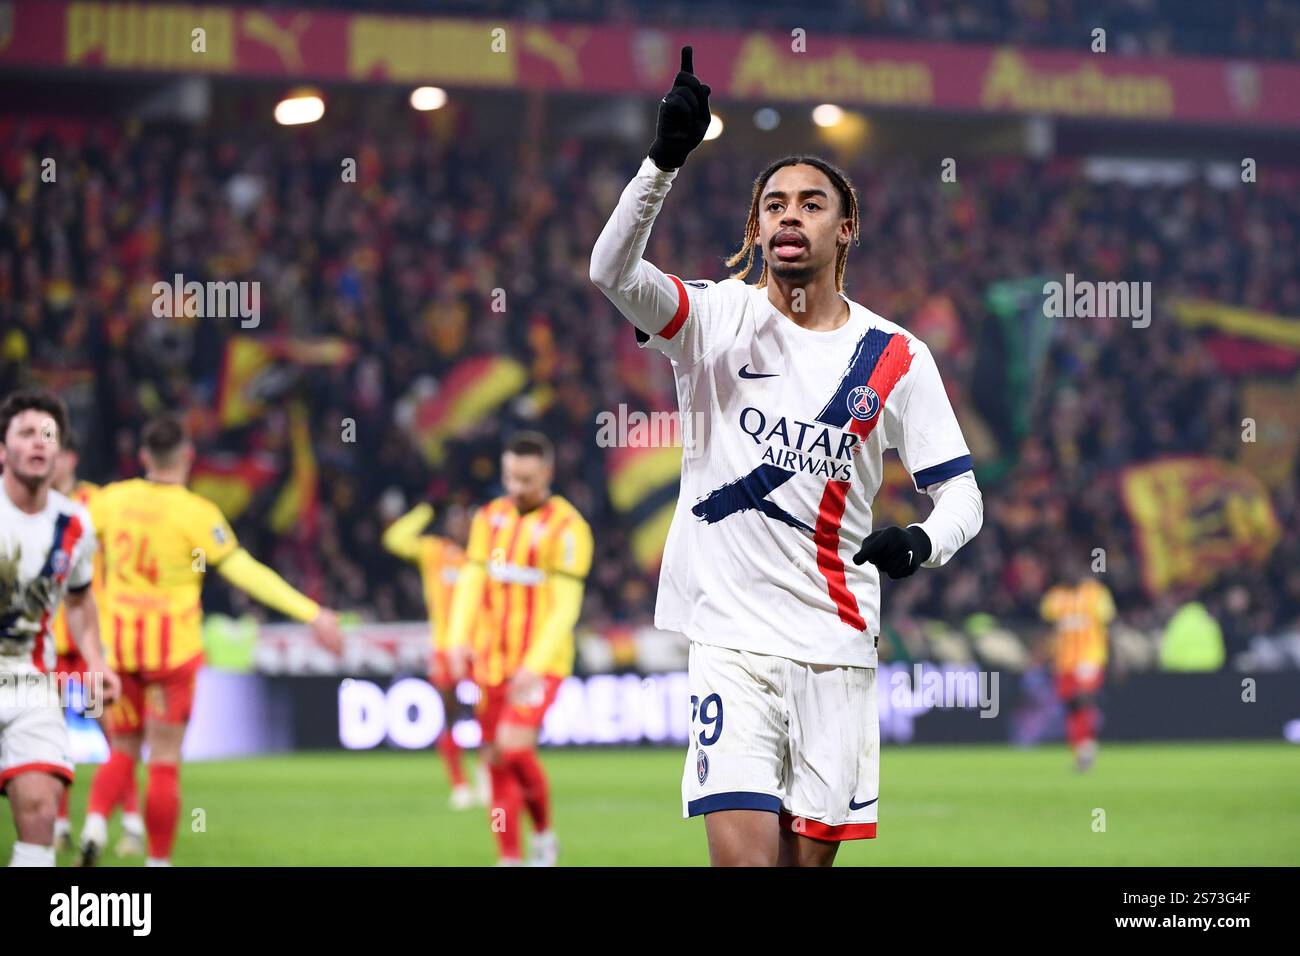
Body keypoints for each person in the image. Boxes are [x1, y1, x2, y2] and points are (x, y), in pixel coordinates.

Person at [589, 47, 983, 866]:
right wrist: (664, 161)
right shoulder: (711, 321)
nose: (788, 216)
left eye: (810, 203)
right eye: (773, 205)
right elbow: (611, 270)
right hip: (730, 644)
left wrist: (920, 543)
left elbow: (963, 499)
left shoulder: (897, 358)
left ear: (846, 229)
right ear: (756, 229)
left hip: (838, 650)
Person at [78, 414, 343, 866]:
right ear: (188, 458)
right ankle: (158, 862)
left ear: (143, 456)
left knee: (122, 749)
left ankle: (94, 826)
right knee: (163, 759)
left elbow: (69, 545)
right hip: (172, 657)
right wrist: (311, 611)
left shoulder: (110, 501)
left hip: (119, 652)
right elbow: (245, 572)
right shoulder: (198, 515)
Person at [445, 432, 593, 866]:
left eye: (526, 479)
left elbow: (565, 608)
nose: (515, 487)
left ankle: (544, 836)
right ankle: (509, 857)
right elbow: (472, 582)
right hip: (490, 660)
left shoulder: (569, 528)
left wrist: (534, 664)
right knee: (493, 759)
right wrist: (457, 640)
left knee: (512, 747)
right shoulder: (488, 518)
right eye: (510, 477)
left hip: (540, 663)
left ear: (547, 473)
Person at [0, 390, 121, 867]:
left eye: (48, 435)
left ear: (60, 452)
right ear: (3, 448)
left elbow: (79, 599)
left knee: (41, 809)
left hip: (30, 682)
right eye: (26, 432)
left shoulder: (76, 525)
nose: (38, 443)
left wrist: (96, 663)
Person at [48, 431, 144, 855]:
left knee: (114, 732)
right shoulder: (30, 506)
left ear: (71, 457)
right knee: (49, 736)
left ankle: (134, 823)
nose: (52, 462)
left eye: (59, 453)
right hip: (50, 641)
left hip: (90, 641)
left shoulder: (97, 504)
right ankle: (58, 825)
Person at [381, 500, 487, 809]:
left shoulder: (484, 558)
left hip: (478, 649)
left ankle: (486, 778)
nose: (461, 526)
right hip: (443, 648)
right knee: (450, 717)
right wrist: (426, 508)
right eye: (455, 519)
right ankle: (459, 785)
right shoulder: (434, 551)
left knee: (487, 719)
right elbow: (393, 540)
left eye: (467, 520)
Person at [1041, 573, 1115, 772]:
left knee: (1083, 699)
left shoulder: (1096, 593)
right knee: (1071, 705)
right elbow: (1049, 627)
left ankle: (1087, 748)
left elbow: (1108, 625)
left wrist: (1113, 658)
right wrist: (1046, 654)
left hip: (1089, 657)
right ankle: (1082, 748)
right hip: (1064, 661)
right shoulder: (1055, 596)